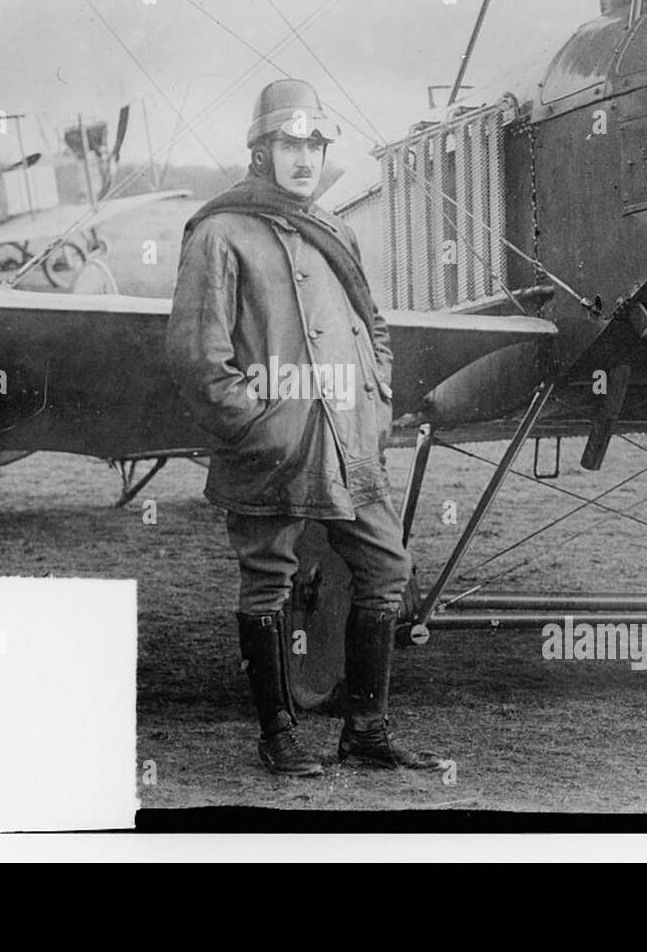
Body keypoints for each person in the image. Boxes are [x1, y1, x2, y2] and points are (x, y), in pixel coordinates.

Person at [165, 78, 444, 776]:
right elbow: (197, 355)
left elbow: (372, 326)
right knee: (268, 582)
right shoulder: (220, 232)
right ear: (261, 150)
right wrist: (258, 428)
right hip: (275, 447)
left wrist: (374, 403)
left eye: (314, 145)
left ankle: (366, 730)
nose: (302, 158)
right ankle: (277, 735)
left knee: (386, 568)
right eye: (288, 143)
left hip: (350, 446)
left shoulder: (335, 228)